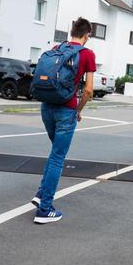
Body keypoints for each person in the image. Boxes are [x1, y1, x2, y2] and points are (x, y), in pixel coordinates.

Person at [31, 17, 96, 224]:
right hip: (66, 111)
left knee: (55, 152)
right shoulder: (87, 54)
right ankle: (45, 209)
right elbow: (88, 91)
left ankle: (41, 193)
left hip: (46, 108)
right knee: (58, 157)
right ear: (87, 35)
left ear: (72, 32)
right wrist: (78, 110)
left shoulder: (57, 48)